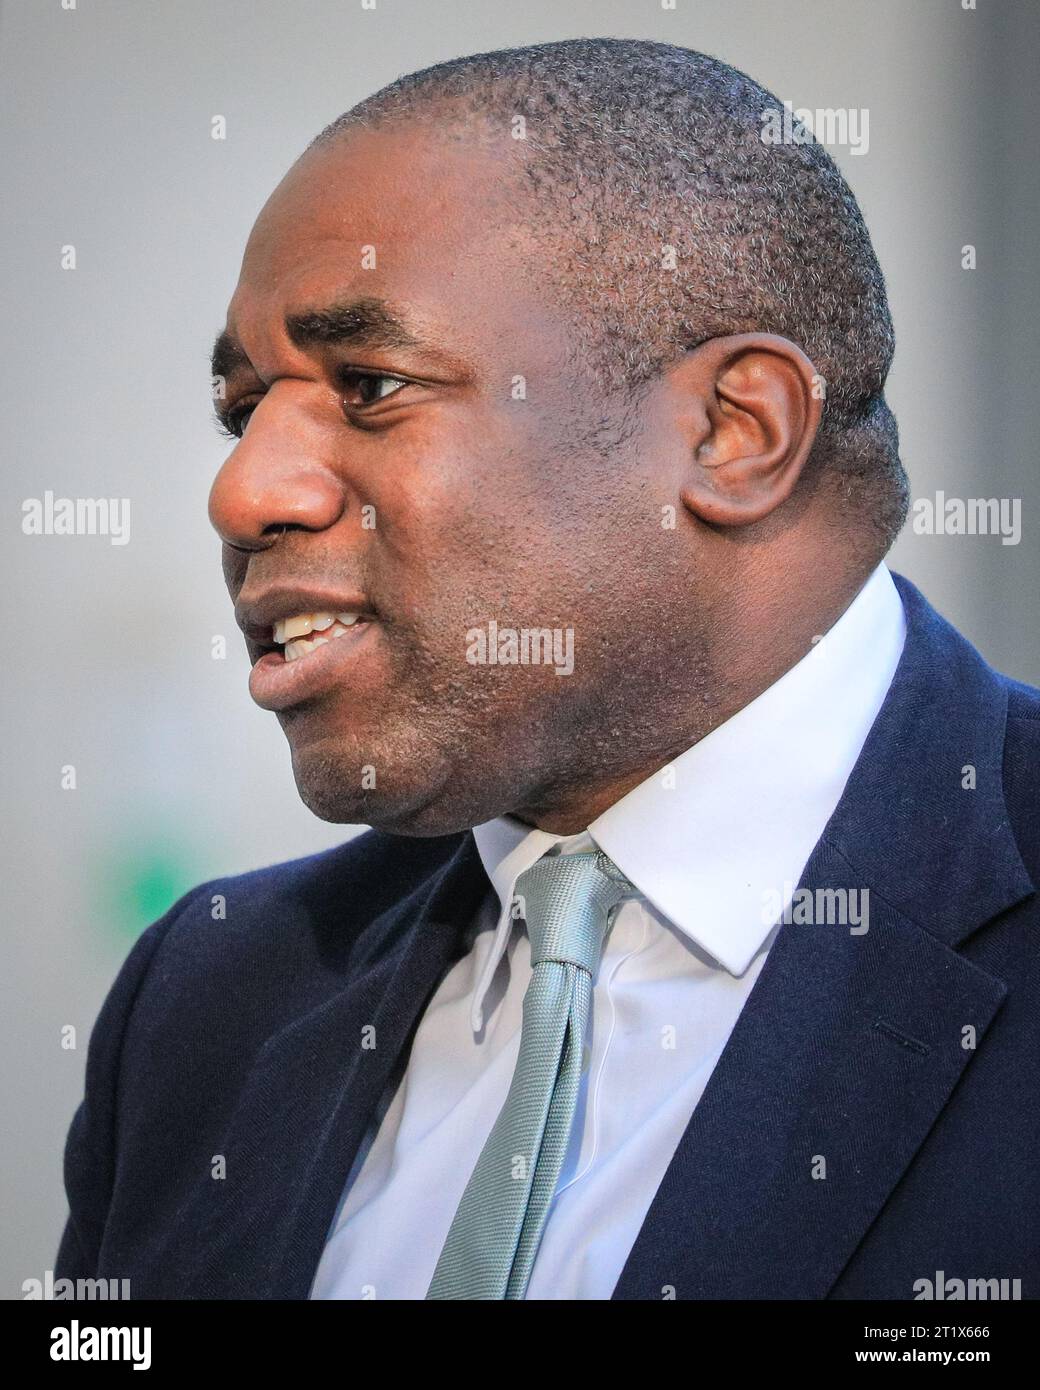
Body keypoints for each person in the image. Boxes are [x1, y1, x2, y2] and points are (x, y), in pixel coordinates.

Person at [56, 38, 1039, 1300]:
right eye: (242, 410)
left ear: (733, 434)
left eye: (369, 384)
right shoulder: (210, 993)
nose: (246, 488)